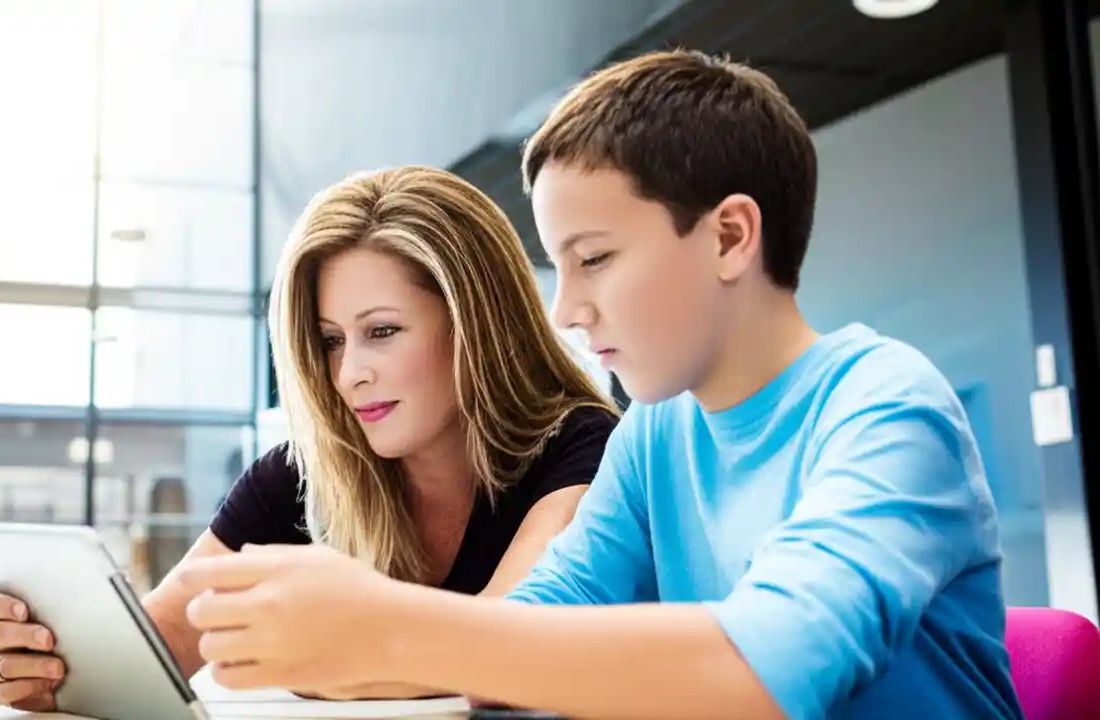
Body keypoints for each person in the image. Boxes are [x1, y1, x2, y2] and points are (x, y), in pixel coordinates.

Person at [177, 49, 1025, 720]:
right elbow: (526, 633)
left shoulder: (886, 408)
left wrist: (387, 626)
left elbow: (770, 670)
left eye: (593, 259)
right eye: (558, 266)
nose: (568, 308)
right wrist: (338, 639)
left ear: (730, 237)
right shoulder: (654, 434)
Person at [0, 165, 618, 712]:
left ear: (476, 324)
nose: (349, 372)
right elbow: (154, 654)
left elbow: (507, 650)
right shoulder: (302, 474)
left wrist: (324, 661)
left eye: (383, 331)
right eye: (332, 339)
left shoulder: (583, 447)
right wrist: (46, 673)